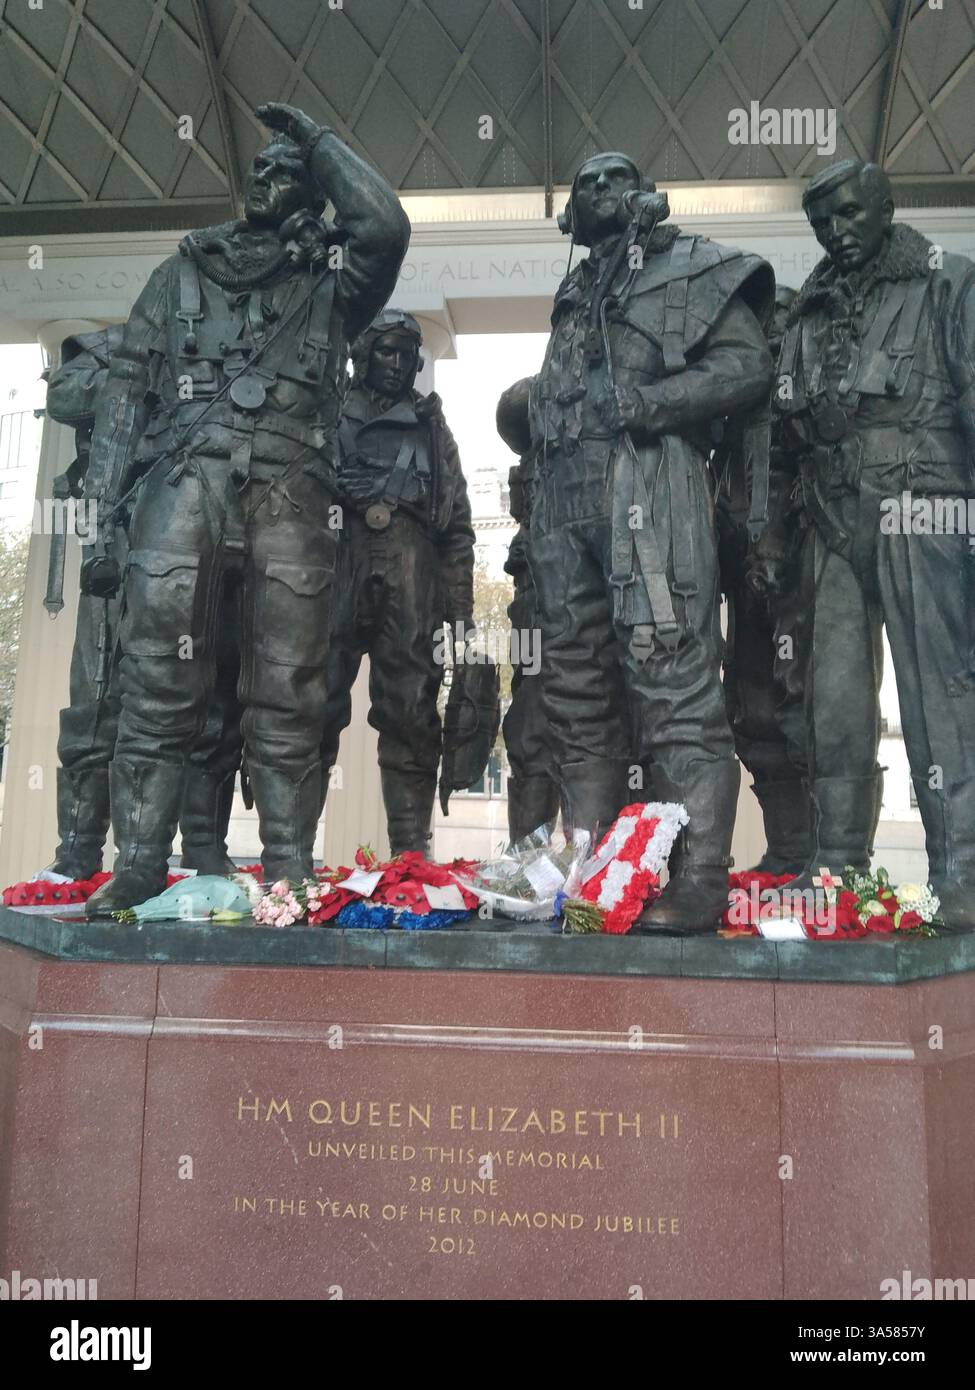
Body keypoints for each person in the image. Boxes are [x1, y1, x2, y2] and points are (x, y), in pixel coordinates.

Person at [82, 103, 410, 916]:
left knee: (291, 688)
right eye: (259, 170)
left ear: (314, 192)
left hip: (292, 493)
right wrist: (100, 521)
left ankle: (289, 867)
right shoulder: (181, 271)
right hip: (182, 486)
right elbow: (124, 395)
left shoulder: (333, 284)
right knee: (159, 682)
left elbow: (387, 226)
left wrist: (319, 140)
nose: (267, 181)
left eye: (286, 173)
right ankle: (139, 865)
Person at [528, 152, 774, 931]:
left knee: (671, 681)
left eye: (615, 176)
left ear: (643, 194)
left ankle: (699, 879)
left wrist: (654, 402)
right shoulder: (576, 286)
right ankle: (598, 869)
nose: (598, 188)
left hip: (647, 485)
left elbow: (747, 368)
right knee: (572, 686)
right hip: (562, 497)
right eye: (584, 181)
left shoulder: (695, 263)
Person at [766, 158, 975, 927]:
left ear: (886, 204)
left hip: (923, 511)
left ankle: (960, 870)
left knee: (938, 696)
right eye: (822, 222)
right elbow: (783, 439)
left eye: (850, 215)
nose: (837, 233)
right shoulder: (809, 312)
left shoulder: (946, 282)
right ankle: (837, 865)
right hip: (832, 516)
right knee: (836, 702)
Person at [41, 327, 242, 881]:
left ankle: (203, 844)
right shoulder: (120, 345)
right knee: (97, 696)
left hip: (203, 544)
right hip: (123, 543)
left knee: (209, 696)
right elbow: (66, 397)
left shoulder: (235, 350)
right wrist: (143, 378)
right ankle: (80, 849)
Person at [320, 310, 475, 853]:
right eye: (386, 351)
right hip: (337, 570)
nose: (397, 363)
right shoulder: (328, 416)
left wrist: (461, 611)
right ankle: (291, 853)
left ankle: (410, 851)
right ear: (362, 358)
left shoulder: (434, 430)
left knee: (411, 711)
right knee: (313, 703)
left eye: (407, 355)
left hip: (412, 579)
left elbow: (457, 526)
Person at [714, 284, 811, 874]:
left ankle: (822, 857)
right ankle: (786, 851)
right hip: (739, 576)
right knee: (752, 709)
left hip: (798, 577)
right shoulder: (731, 417)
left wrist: (779, 546)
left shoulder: (804, 406)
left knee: (803, 706)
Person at [496, 377, 560, 842]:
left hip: (589, 622)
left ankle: (601, 870)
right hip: (535, 620)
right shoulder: (531, 471)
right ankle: (529, 863)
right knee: (529, 732)